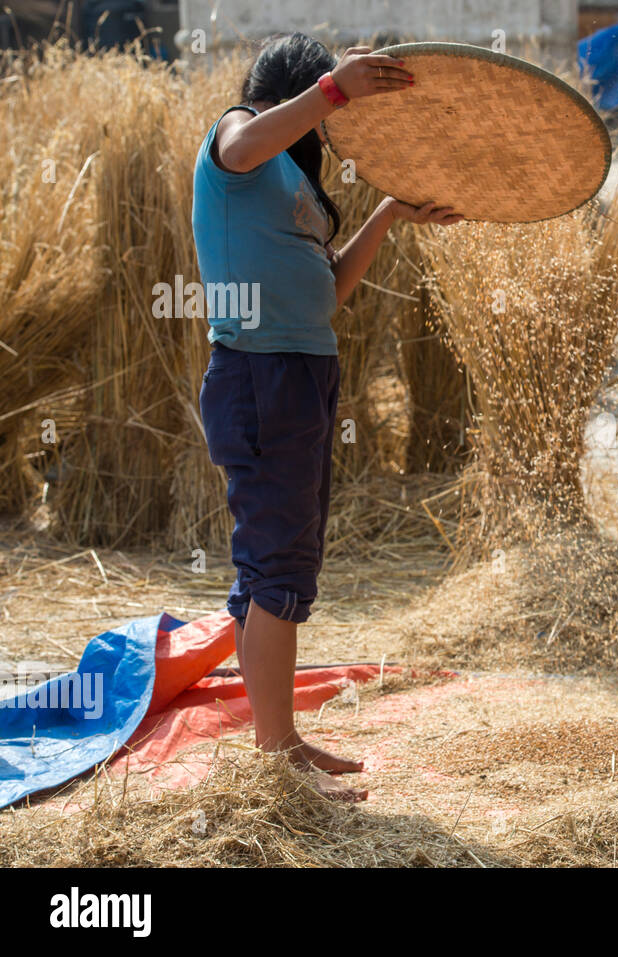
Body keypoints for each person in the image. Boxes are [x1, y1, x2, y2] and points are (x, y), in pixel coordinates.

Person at [192, 33, 463, 800]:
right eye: (315, 109)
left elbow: (328, 289)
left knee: (280, 565)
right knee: (277, 567)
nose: (323, 130)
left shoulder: (291, 178)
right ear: (293, 91)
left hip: (304, 375)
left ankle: (279, 743)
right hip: (260, 377)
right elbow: (247, 137)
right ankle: (276, 759)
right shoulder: (238, 136)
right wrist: (333, 91)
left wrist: (388, 212)